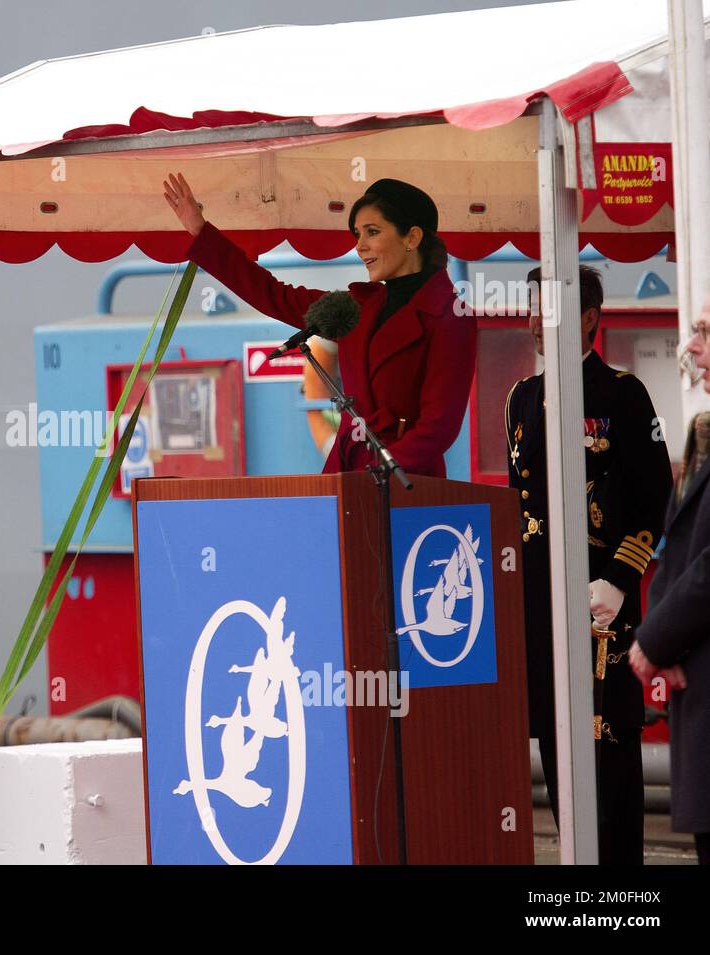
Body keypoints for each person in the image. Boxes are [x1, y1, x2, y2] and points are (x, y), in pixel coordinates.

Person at [505, 266, 671, 864]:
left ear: (588, 318)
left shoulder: (621, 394)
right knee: (558, 766)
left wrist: (623, 580)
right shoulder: (520, 400)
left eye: (545, 308)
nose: (532, 320)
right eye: (529, 306)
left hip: (603, 606)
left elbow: (656, 497)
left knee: (612, 769)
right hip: (542, 613)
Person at [163, 173, 475, 477]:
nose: (360, 246)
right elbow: (274, 294)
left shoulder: (451, 315)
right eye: (357, 234)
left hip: (409, 482)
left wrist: (382, 473)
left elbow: (439, 427)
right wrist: (200, 230)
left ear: (412, 237)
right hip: (346, 472)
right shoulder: (354, 307)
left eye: (372, 232)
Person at [630, 306, 710, 865]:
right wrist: (663, 639)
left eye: (705, 332)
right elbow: (676, 543)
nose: (692, 347)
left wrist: (654, 642)